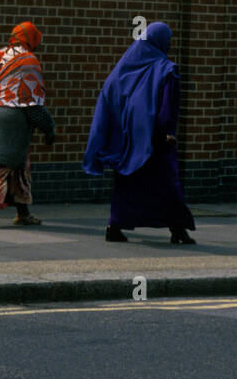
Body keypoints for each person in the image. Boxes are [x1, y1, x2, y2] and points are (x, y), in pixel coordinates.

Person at [83, 20, 195, 244]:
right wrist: (168, 132)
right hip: (156, 139)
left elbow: (108, 98)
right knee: (166, 183)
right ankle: (178, 230)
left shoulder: (123, 69)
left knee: (128, 184)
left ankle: (114, 226)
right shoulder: (167, 69)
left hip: (128, 141)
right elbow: (167, 108)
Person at [0, 20, 55, 228]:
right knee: (1, 166)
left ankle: (23, 212)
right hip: (11, 117)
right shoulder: (29, 61)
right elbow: (31, 102)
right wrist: (49, 128)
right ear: (30, 39)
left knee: (17, 166)